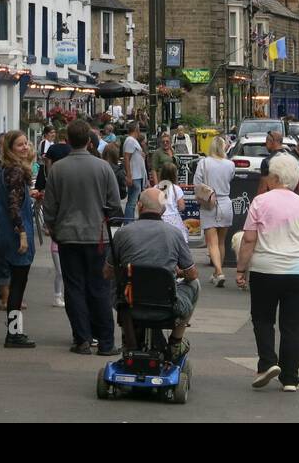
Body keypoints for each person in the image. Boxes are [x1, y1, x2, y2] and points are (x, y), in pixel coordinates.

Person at [236, 153, 299, 392]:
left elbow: (249, 240)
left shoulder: (260, 202)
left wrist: (241, 269)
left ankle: (267, 363)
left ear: (274, 177)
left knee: (263, 319)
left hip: (266, 269)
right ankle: (291, 378)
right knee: (293, 326)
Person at [42, 120, 123, 355]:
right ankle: (106, 342)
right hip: (97, 237)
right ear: (89, 141)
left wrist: (55, 229)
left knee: (74, 287)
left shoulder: (57, 169)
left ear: (67, 141)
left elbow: (49, 207)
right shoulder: (103, 168)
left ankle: (82, 339)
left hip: (68, 237)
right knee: (99, 288)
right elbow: (115, 204)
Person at [104, 190, 199, 358]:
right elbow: (192, 274)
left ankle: (129, 338)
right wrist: (178, 272)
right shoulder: (174, 233)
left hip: (130, 302)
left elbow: (107, 273)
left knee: (118, 281)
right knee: (195, 285)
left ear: (139, 206)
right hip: (167, 304)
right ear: (162, 210)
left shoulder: (122, 233)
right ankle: (176, 341)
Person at [0, 131, 37, 348]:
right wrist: (22, 233)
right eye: (20, 145)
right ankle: (14, 333)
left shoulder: (5, 169)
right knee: (19, 285)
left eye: (26, 143)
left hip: (5, 232)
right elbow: (13, 206)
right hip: (17, 233)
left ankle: (15, 331)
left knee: (17, 283)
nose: (25, 147)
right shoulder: (15, 172)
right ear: (10, 148)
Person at [194, 136, 236, 287]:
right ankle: (216, 273)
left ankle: (218, 272)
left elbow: (197, 183)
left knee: (211, 242)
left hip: (209, 204)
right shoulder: (230, 164)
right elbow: (230, 179)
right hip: (225, 203)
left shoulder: (203, 163)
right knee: (221, 242)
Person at [154, 163, 189, 244]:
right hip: (174, 219)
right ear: (174, 175)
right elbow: (181, 207)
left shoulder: (156, 188)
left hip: (159, 218)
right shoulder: (176, 189)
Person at [122, 123, 148, 220]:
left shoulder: (133, 141)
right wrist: (129, 175)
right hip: (135, 176)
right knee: (132, 202)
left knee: (137, 201)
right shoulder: (130, 141)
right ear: (136, 129)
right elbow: (126, 157)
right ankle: (128, 222)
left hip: (138, 176)